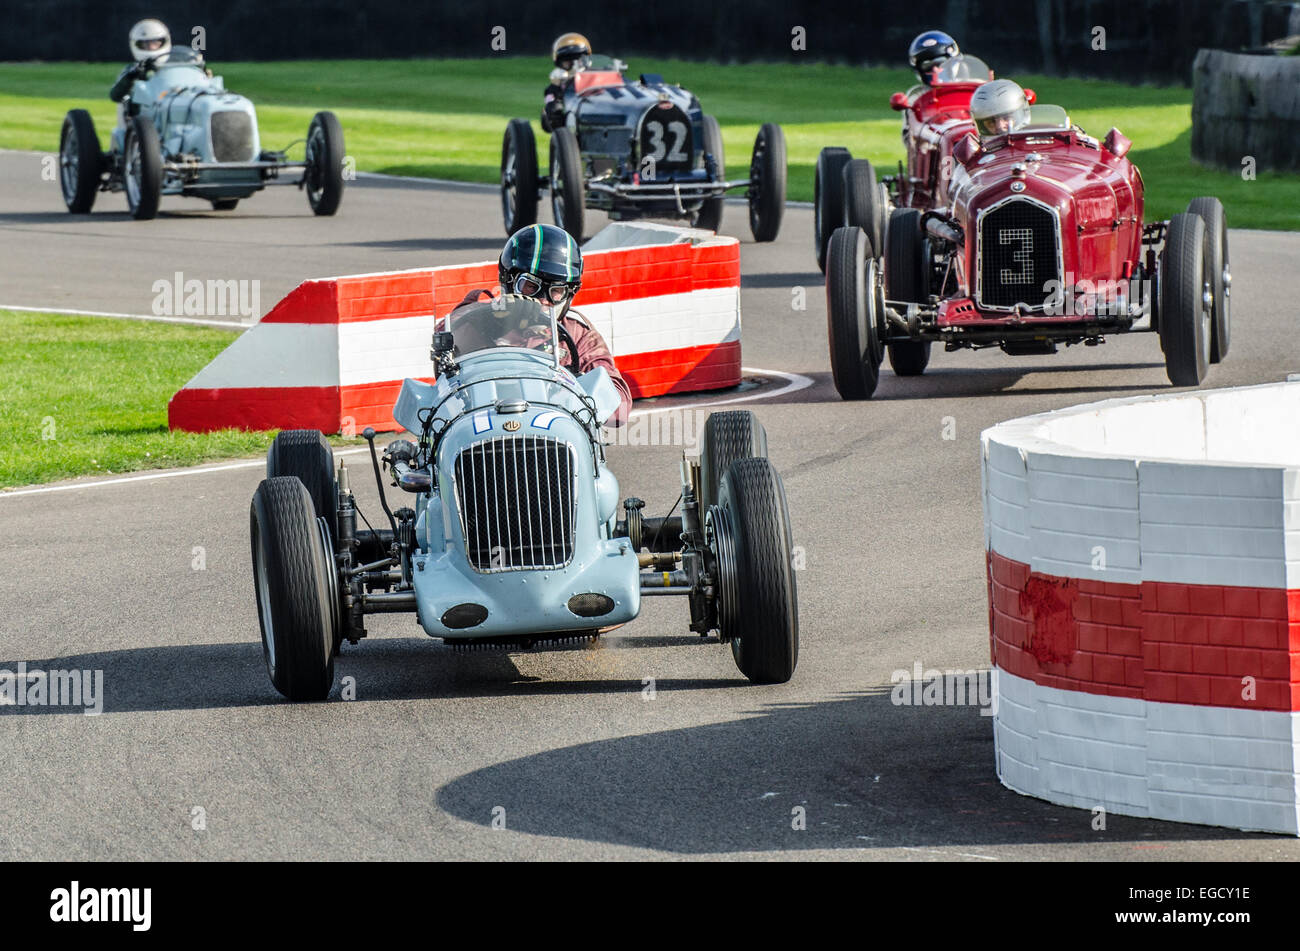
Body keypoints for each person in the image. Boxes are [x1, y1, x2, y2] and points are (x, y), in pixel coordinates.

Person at [448, 223, 633, 426]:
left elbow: (619, 411)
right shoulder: (477, 316)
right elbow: (444, 340)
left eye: (555, 290)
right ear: (508, 281)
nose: (543, 300)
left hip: (554, 435)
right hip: (483, 430)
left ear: (569, 293)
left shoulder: (577, 334)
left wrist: (575, 383)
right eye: (530, 286)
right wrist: (491, 322)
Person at [109, 19, 172, 103]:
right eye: (145, 44)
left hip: (170, 107)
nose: (151, 47)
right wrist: (131, 77)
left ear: (164, 42)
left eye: (155, 43)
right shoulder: (133, 70)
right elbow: (115, 96)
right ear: (137, 45)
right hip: (143, 112)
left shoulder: (174, 65)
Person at [541, 32, 592, 132]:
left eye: (578, 60)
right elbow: (551, 118)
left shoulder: (596, 77)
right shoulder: (556, 86)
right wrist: (556, 88)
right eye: (568, 62)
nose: (574, 65)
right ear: (560, 64)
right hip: (571, 131)